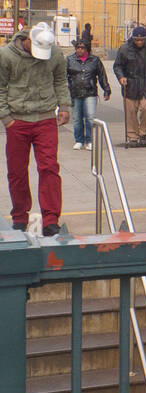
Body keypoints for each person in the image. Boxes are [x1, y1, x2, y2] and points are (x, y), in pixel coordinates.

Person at [0, 22, 71, 236]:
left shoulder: (55, 53)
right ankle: (20, 217)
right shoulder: (6, 56)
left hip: (45, 119)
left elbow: (60, 80)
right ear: (28, 40)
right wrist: (6, 117)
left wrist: (64, 106)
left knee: (49, 168)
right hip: (17, 120)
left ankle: (51, 219)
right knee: (17, 172)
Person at [113, 24, 146, 148]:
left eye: (142, 40)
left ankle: (143, 133)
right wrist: (121, 77)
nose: (139, 42)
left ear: (145, 39)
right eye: (137, 40)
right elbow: (117, 65)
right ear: (133, 38)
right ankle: (132, 136)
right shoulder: (124, 48)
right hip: (130, 84)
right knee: (130, 112)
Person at [66, 38, 111, 150]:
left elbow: (102, 76)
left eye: (83, 48)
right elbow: (62, 76)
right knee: (77, 118)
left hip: (90, 92)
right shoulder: (69, 60)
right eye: (78, 48)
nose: (80, 50)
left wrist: (106, 89)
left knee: (90, 117)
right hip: (75, 92)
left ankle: (89, 139)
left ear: (87, 49)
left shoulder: (94, 60)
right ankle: (79, 140)